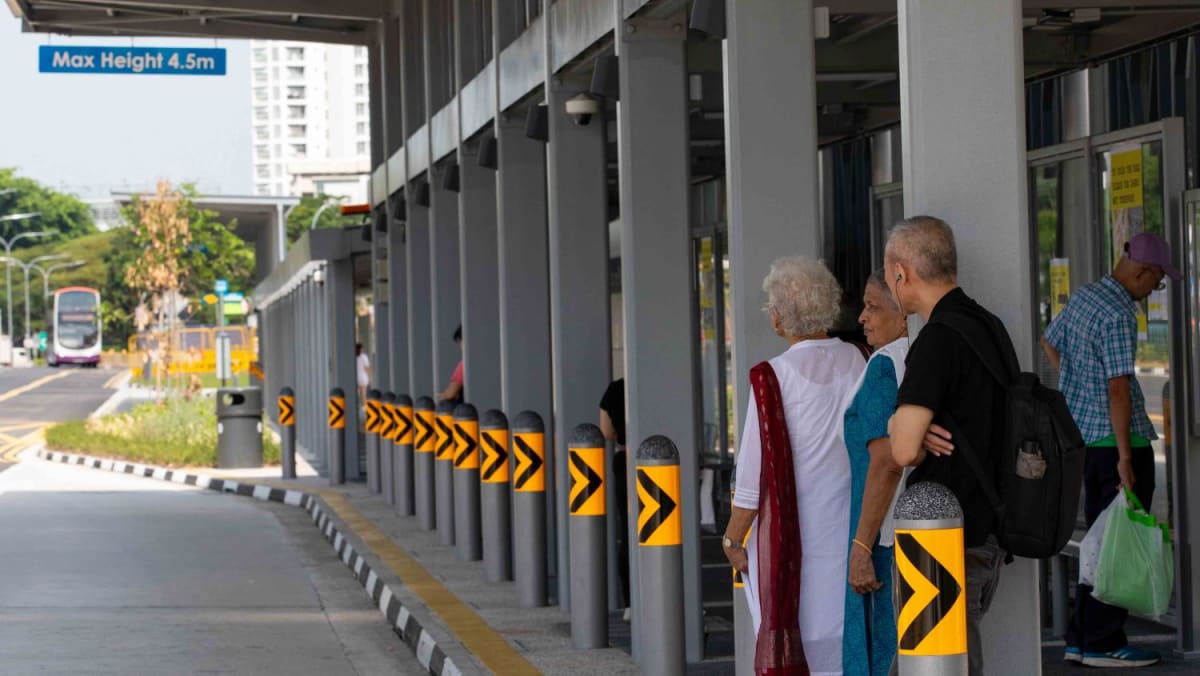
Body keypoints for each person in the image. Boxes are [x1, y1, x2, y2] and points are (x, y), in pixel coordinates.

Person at [885, 216, 1015, 676]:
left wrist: (904, 428)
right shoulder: (989, 327)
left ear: (901, 273)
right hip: (986, 530)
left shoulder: (937, 338)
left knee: (939, 664)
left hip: (942, 538)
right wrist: (916, 429)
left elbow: (902, 450)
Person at [723, 256, 865, 675]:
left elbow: (752, 478)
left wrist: (732, 539)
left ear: (779, 317)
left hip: (792, 544)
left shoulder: (774, 376)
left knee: (799, 639)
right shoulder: (861, 359)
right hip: (852, 533)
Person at [1044, 232, 1178, 669]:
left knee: (1101, 541)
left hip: (1088, 440)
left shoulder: (1085, 297)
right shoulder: (1119, 313)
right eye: (1157, 281)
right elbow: (1118, 388)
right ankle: (1103, 641)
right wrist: (1125, 458)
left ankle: (1081, 638)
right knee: (1118, 545)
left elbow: (1049, 341)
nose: (1153, 290)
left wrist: (1078, 386)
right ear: (1143, 271)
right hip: (1120, 445)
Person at [841, 269, 909, 676]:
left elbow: (885, 463)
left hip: (883, 536)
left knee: (883, 652)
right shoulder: (919, 358)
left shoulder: (885, 366)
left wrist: (861, 547)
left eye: (872, 307)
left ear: (903, 315)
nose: (862, 318)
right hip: (914, 529)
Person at [598, 378, 631, 623]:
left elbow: (606, 432)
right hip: (670, 465)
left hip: (626, 462)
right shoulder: (664, 382)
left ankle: (630, 602)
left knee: (629, 531)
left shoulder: (616, 388)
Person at [438, 325, 464, 403]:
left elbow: (450, 394)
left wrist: (443, 395)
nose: (460, 347)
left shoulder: (464, 365)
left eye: (460, 342)